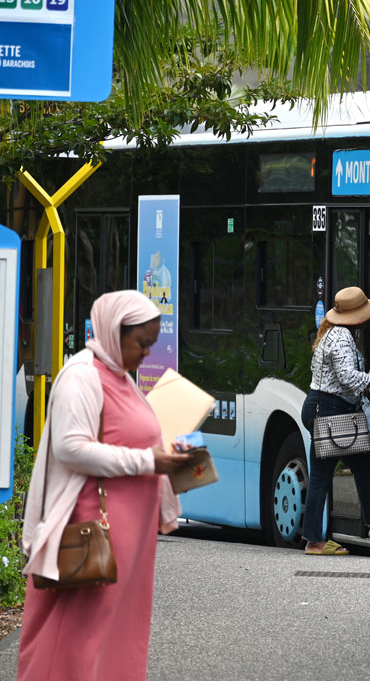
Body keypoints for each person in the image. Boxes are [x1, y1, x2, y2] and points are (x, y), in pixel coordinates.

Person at [18, 290, 193, 681]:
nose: (147, 353)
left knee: (116, 629)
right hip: (93, 529)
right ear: (115, 332)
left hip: (127, 537)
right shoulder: (82, 377)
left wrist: (168, 454)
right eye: (142, 343)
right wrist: (150, 460)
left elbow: (129, 438)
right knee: (80, 632)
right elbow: (70, 448)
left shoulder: (120, 377)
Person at [300, 286, 370, 554]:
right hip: (330, 411)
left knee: (362, 465)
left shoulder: (333, 333)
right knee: (322, 477)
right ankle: (314, 540)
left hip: (327, 408)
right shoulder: (340, 338)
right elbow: (347, 378)